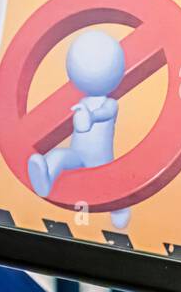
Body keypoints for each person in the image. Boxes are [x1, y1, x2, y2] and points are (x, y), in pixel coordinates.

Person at [28, 29, 132, 228]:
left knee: (115, 186)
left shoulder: (110, 104)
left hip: (102, 162)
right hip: (78, 157)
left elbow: (105, 113)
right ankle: (45, 175)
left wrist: (90, 117)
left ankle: (120, 209)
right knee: (58, 156)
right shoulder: (82, 101)